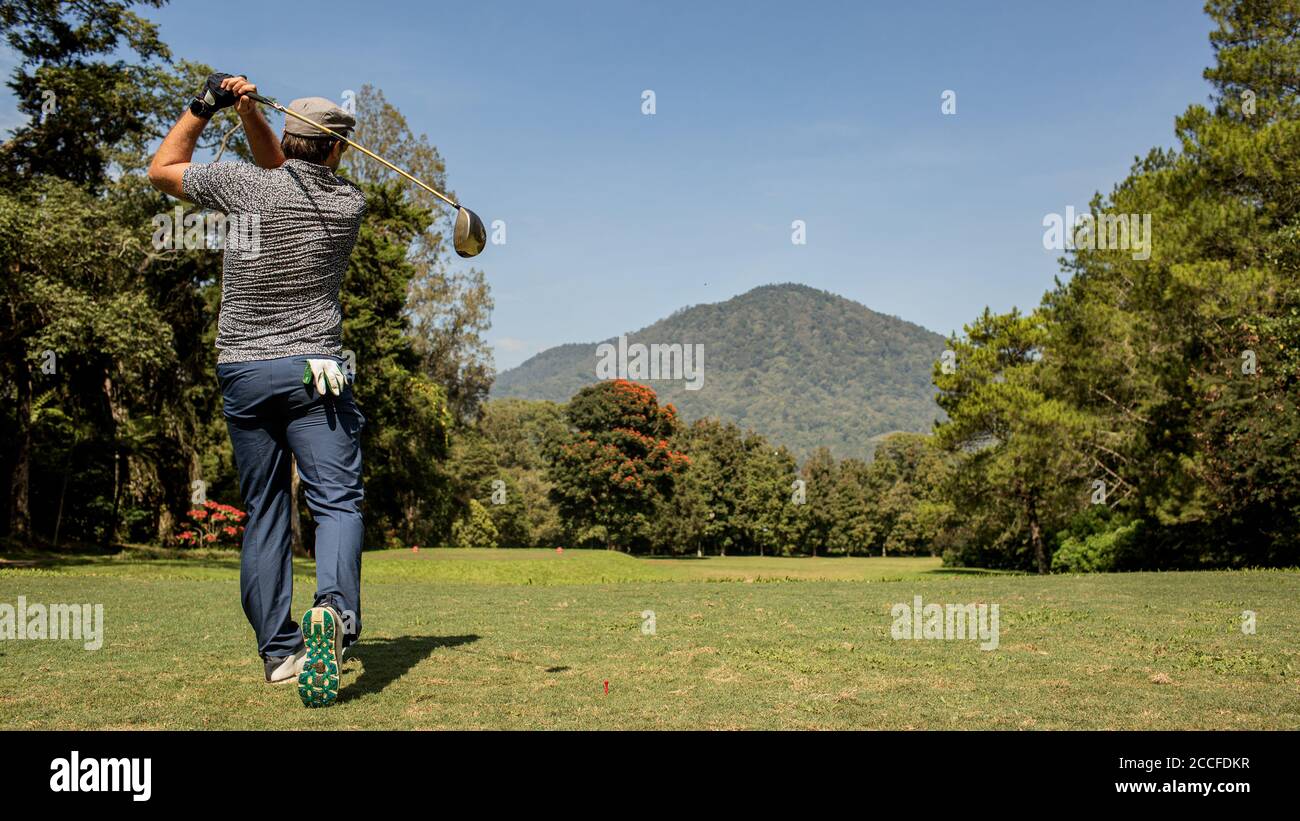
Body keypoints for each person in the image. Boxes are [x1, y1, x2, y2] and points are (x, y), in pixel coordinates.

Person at [148, 73, 366, 708]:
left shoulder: (244, 187)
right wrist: (250, 118)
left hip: (243, 373)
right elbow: (288, 172)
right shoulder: (347, 204)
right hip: (313, 372)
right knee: (336, 504)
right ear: (337, 149)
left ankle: (279, 652)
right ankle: (334, 614)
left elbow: (163, 168)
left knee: (266, 511)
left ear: (291, 138)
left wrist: (211, 104)